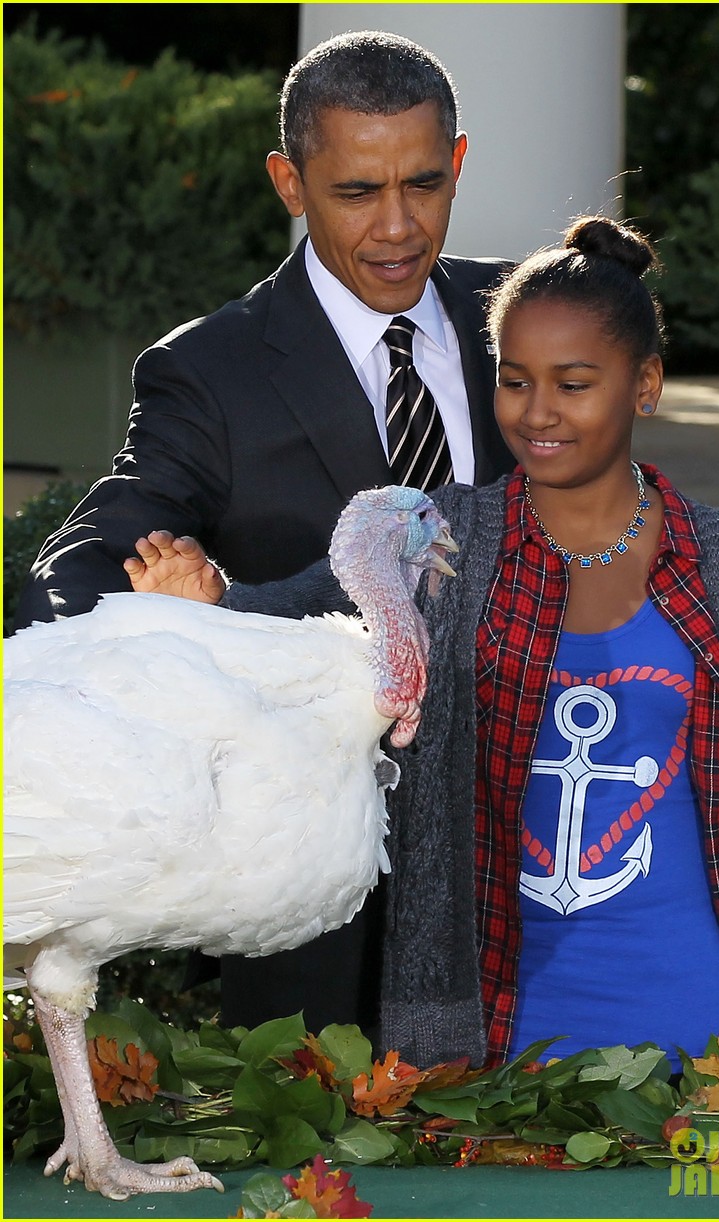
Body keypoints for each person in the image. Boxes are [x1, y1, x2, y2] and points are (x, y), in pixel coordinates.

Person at [130, 216, 719, 1075]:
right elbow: (294, 617)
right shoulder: (445, 540)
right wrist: (210, 601)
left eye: (573, 384)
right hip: (482, 1042)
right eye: (514, 380)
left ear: (644, 384)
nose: (537, 413)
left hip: (699, 1032)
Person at [13, 30, 514, 1036]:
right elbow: (81, 560)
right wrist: (158, 622)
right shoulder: (212, 371)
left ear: (457, 162)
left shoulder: (525, 316)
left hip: (522, 855)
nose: (396, 225)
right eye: (355, 191)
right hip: (310, 901)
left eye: (422, 183)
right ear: (289, 183)